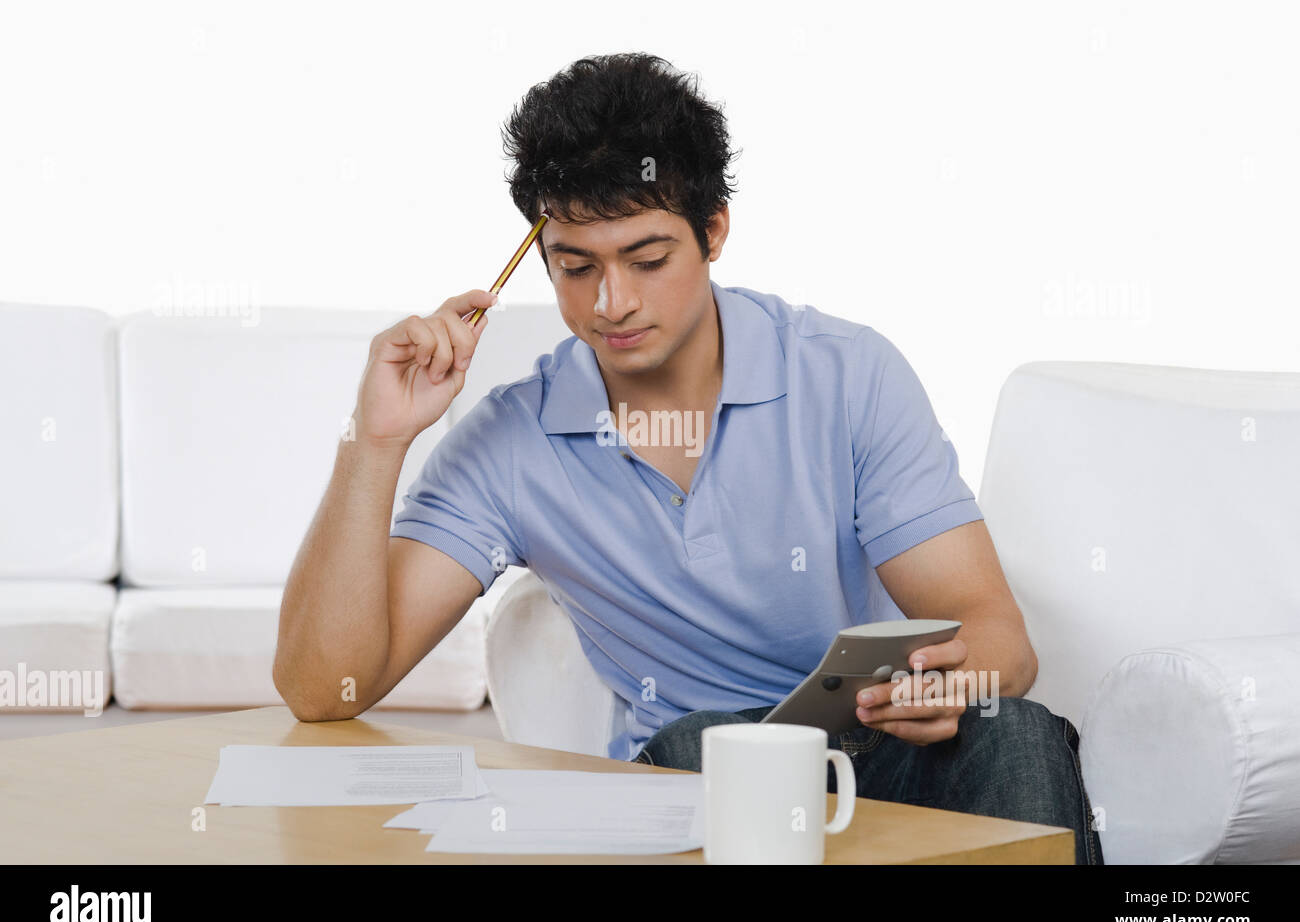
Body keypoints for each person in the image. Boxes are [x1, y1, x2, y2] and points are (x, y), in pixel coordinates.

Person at [275, 52, 1103, 865]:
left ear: (713, 232)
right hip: (694, 778)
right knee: (695, 739)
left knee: (1016, 731)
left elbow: (1002, 639)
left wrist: (949, 683)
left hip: (877, 752)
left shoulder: (846, 374)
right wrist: (375, 440)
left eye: (647, 259)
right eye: (576, 267)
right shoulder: (511, 441)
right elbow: (325, 689)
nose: (613, 303)